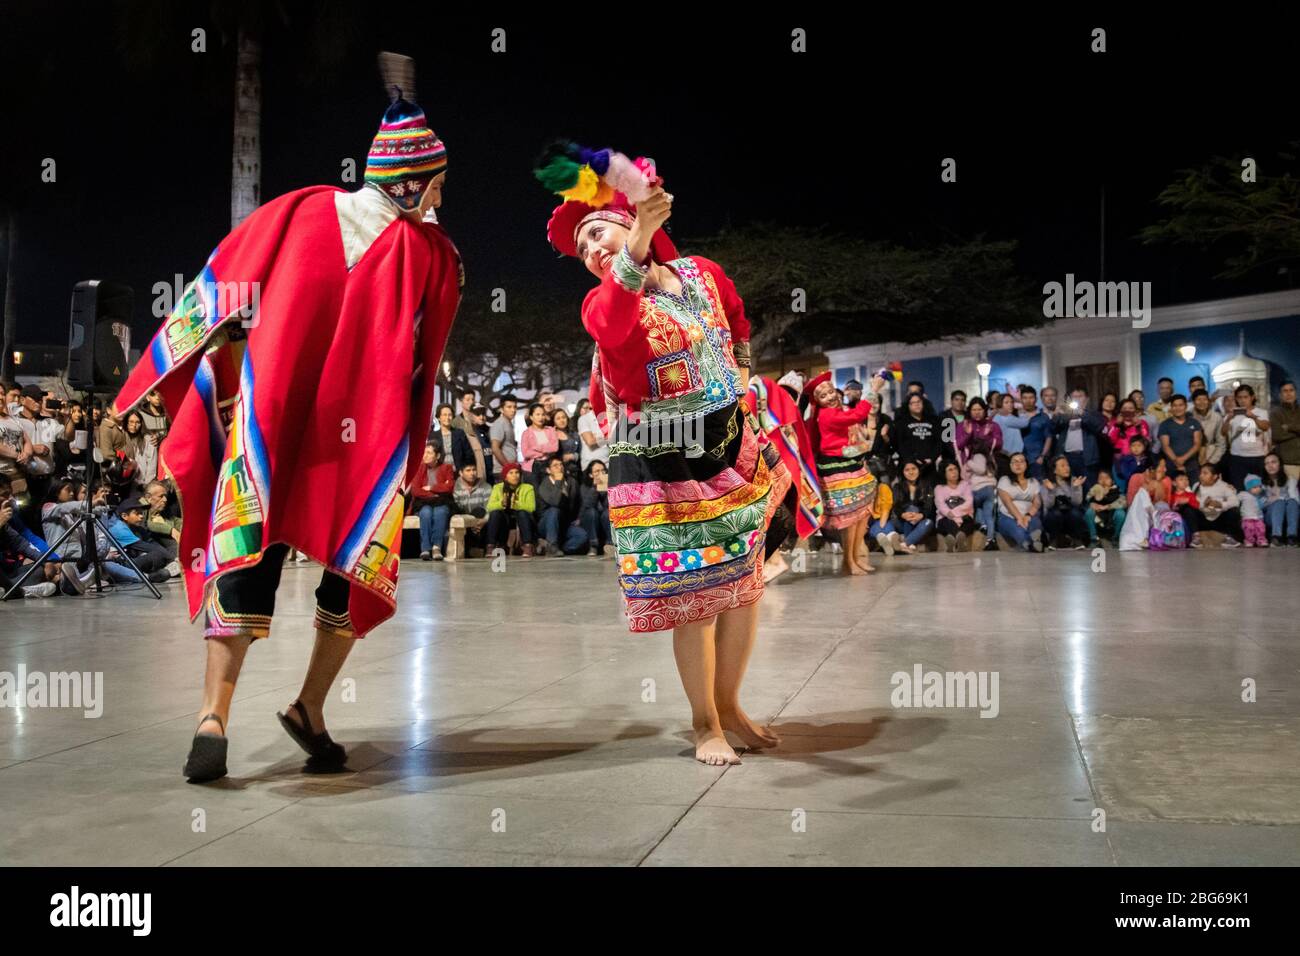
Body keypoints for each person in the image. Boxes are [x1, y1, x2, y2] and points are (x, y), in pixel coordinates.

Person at [111, 62, 462, 783]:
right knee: (349, 571)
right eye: (439, 183)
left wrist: (180, 368)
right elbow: (425, 359)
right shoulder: (434, 255)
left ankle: (213, 719)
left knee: (248, 556)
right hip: (365, 449)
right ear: (421, 182)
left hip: (270, 428)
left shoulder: (297, 211)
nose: (439, 197)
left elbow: (214, 293)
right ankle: (307, 708)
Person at [543, 173, 777, 766]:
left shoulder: (702, 272)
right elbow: (615, 327)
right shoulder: (601, 302)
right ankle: (704, 724)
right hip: (660, 460)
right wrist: (640, 237)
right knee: (693, 596)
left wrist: (742, 374)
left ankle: (730, 706)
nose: (592, 249)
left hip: (724, 443)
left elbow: (737, 318)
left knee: (741, 589)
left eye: (598, 232)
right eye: (583, 249)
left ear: (624, 222)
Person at [804, 371, 886, 575]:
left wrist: (860, 448)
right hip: (838, 469)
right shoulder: (828, 415)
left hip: (850, 463)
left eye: (831, 392)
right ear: (818, 402)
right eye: (823, 396)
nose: (830, 397)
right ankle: (848, 562)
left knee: (861, 515)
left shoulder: (839, 410)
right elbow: (858, 415)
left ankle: (855, 558)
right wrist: (873, 390)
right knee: (851, 517)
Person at [536, 455, 589, 556]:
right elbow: (555, 502)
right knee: (554, 510)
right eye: (555, 465)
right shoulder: (544, 484)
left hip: (564, 523)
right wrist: (558, 481)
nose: (559, 467)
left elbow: (580, 502)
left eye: (561, 465)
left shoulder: (571, 482)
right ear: (548, 470)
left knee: (582, 536)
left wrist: (578, 518)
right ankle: (552, 545)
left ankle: (557, 548)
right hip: (547, 524)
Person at [410, 442, 455, 560]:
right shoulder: (420, 468)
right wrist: (436, 493)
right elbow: (415, 490)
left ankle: (436, 547)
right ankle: (425, 548)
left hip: (442, 501)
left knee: (440, 512)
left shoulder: (447, 468)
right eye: (424, 452)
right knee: (426, 513)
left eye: (429, 453)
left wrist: (431, 488)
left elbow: (449, 487)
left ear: (438, 456)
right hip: (424, 502)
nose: (425, 455)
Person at [1053, 387, 1106, 486]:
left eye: (1080, 396)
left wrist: (1082, 413)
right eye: (1074, 397)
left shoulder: (1094, 414)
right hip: (1066, 457)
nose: (1077, 399)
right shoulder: (1064, 415)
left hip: (1086, 458)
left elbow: (1098, 426)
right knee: (1068, 487)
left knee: (1088, 488)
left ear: (1087, 399)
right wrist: (1056, 415)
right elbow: (1053, 430)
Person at [1221, 384, 1271, 489]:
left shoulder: (1261, 412)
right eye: (1239, 397)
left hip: (1257, 457)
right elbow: (1223, 432)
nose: (1243, 400)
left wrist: (1253, 417)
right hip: (1237, 457)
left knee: (1258, 489)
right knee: (1239, 488)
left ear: (1252, 397)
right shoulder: (1232, 414)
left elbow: (1265, 427)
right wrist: (1229, 418)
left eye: (1245, 397)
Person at [995, 452, 1044, 552]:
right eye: (1014, 462)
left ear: (1026, 464)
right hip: (1008, 516)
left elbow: (1037, 503)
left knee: (1035, 523)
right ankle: (1030, 544)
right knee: (1019, 531)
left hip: (1029, 515)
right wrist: (1019, 518)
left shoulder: (1033, 481)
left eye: (1021, 461)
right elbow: (1007, 502)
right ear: (1010, 466)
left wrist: (1028, 516)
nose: (1018, 464)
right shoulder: (1004, 480)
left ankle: (1034, 541)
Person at [485, 460, 536, 556]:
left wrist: (515, 504)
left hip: (523, 519)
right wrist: (502, 503)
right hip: (505, 521)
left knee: (522, 513)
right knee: (495, 513)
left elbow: (531, 507)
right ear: (505, 476)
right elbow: (490, 507)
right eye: (511, 473)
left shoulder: (528, 488)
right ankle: (491, 546)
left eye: (517, 473)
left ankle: (528, 546)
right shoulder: (497, 488)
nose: (515, 475)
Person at [1039, 455, 1089, 549]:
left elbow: (1077, 503)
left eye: (1067, 465)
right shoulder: (1047, 483)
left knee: (1075, 513)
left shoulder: (1074, 481)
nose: (1067, 468)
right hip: (1053, 519)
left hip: (1069, 517)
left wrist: (1076, 488)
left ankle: (1076, 539)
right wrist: (1051, 490)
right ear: (1054, 470)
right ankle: (1053, 539)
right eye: (1062, 466)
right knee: (1056, 513)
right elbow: (1048, 505)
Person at [1187, 463, 1242, 548]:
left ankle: (1229, 538)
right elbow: (1194, 502)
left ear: (1215, 476)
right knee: (1188, 509)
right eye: (1201, 473)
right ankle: (1196, 538)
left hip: (1219, 518)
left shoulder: (1224, 486)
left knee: (1233, 510)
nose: (1201, 476)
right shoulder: (1196, 486)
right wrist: (1203, 503)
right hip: (1203, 517)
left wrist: (1220, 504)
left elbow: (1235, 502)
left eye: (1205, 473)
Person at [892, 392, 944, 480]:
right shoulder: (901, 423)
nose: (916, 405)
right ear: (908, 405)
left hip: (929, 466)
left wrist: (932, 458)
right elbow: (899, 445)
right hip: (910, 467)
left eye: (919, 402)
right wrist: (913, 460)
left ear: (923, 403)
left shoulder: (933, 421)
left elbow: (939, 443)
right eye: (913, 403)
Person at [447, 461, 491, 559]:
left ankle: (476, 547)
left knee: (480, 511)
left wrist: (484, 520)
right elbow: (456, 507)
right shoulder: (455, 488)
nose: (472, 473)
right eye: (468, 470)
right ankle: (469, 549)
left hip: (481, 522)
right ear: (461, 473)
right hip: (464, 521)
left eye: (474, 470)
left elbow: (489, 507)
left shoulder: (485, 486)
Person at [889, 460, 934, 553]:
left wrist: (921, 515)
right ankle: (911, 543)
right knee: (912, 508)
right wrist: (903, 514)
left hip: (920, 521)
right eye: (907, 470)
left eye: (914, 468)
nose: (911, 472)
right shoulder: (898, 486)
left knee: (929, 522)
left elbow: (929, 507)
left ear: (918, 470)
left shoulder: (927, 486)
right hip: (900, 521)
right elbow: (896, 506)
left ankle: (905, 544)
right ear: (903, 472)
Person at [1156, 393, 1203, 480]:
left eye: (1180, 405)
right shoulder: (1165, 424)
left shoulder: (1194, 423)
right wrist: (1176, 461)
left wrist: (1183, 459)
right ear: (1171, 407)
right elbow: (1165, 446)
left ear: (1185, 406)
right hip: (1171, 467)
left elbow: (1197, 444)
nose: (1178, 408)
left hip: (1192, 466)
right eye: (1174, 405)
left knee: (1193, 492)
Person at [935, 460, 977, 551]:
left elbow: (969, 501)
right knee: (946, 522)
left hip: (964, 515)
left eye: (955, 469)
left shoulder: (965, 485)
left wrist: (955, 514)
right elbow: (940, 504)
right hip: (946, 517)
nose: (954, 472)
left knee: (969, 522)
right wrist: (950, 514)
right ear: (944, 473)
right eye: (950, 470)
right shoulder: (939, 488)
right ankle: (959, 542)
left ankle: (955, 540)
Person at [1259, 452, 1299, 546]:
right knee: (1279, 502)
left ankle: (1292, 537)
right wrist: (1273, 500)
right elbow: (1259, 505)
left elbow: (1295, 499)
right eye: (1267, 463)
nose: (1270, 466)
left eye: (1273, 462)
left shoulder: (1290, 480)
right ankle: (1276, 537)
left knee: (1292, 502)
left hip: (1289, 515)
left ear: (1280, 464)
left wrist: (1278, 498)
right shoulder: (1261, 483)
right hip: (1270, 517)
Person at [578, 459, 615, 557]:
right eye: (597, 471)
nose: (600, 474)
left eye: (603, 471)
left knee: (608, 512)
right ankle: (593, 545)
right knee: (591, 512)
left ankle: (609, 545)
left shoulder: (611, 486)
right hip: (589, 520)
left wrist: (606, 489)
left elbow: (610, 505)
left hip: (604, 518)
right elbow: (587, 505)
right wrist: (595, 488)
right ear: (591, 475)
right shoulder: (585, 487)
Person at [962, 451, 998, 550]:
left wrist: (968, 462)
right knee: (988, 515)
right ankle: (990, 540)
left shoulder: (976, 457)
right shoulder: (991, 459)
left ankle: (982, 525)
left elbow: (967, 475)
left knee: (976, 507)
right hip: (990, 488)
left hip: (977, 489)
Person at [992, 392, 1032, 476]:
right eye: (1006, 402)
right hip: (1008, 455)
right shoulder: (1006, 419)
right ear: (1000, 404)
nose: (1010, 404)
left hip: (1006, 454)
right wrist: (1021, 409)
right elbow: (1025, 423)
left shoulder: (998, 416)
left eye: (1011, 402)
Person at [1020, 386, 1054, 480]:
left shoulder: (1043, 416)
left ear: (1036, 399)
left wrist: (1042, 456)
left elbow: (1049, 437)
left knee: (1039, 488)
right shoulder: (1016, 416)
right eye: (1025, 398)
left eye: (1031, 397)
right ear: (1021, 399)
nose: (1028, 400)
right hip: (1019, 458)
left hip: (1037, 458)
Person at [520, 402, 558, 483]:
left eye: (543, 414)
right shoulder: (526, 433)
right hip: (532, 467)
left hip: (548, 465)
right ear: (531, 417)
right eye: (537, 414)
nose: (541, 417)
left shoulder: (550, 430)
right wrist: (544, 452)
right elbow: (526, 453)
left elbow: (554, 448)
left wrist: (536, 447)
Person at [1269, 381, 1300, 482]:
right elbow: (1277, 435)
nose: (1288, 393)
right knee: (1292, 495)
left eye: (1291, 390)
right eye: (1285, 391)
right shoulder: (1275, 412)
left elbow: (1285, 431)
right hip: (1288, 463)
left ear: (1296, 392)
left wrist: (1289, 427)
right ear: (1280, 395)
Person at [1085, 470, 1126, 546]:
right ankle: (1093, 538)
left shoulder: (1116, 490)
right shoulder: (1094, 489)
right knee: (1089, 512)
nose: (1104, 481)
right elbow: (1087, 499)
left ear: (1112, 480)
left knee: (1121, 513)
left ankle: (1115, 538)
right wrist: (1091, 503)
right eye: (1101, 478)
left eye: (1107, 478)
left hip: (1111, 514)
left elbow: (1123, 502)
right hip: (1098, 514)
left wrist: (1107, 507)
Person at [1191, 388, 1226, 475]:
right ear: (1193, 401)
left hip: (1210, 456)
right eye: (1198, 399)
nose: (1202, 402)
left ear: (1209, 401)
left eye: (1204, 399)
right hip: (1191, 458)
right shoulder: (1188, 416)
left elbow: (1221, 443)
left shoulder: (1217, 417)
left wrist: (1211, 462)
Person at [489, 394, 521, 477]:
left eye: (515, 407)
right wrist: (508, 467)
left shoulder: (508, 423)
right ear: (501, 409)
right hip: (502, 471)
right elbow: (495, 448)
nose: (513, 410)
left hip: (510, 470)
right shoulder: (500, 423)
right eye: (509, 407)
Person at [576, 395, 609, 472]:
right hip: (591, 465)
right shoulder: (584, 419)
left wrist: (597, 437)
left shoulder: (607, 419)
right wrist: (609, 436)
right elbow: (590, 441)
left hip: (607, 463)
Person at [1237, 476, 1269, 548]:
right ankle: (1249, 541)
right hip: (1247, 517)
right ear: (1248, 488)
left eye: (1259, 487)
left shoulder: (1260, 496)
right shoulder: (1243, 494)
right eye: (1255, 487)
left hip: (1258, 517)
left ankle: (1261, 540)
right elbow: (1235, 499)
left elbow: (1265, 503)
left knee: (1261, 529)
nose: (1258, 489)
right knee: (1248, 529)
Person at [551, 407, 582, 480]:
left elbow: (580, 451)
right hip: (558, 470)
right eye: (558, 418)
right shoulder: (551, 435)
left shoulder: (574, 434)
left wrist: (573, 456)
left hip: (575, 470)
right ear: (554, 421)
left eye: (563, 417)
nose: (562, 420)